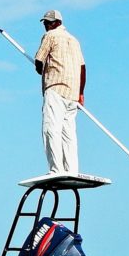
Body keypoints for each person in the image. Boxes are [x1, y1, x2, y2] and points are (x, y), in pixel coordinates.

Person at [34, 9, 86, 175]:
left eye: (49, 22)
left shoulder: (51, 36)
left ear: (57, 22)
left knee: (51, 128)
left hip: (55, 88)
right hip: (72, 93)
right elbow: (83, 69)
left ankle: (56, 169)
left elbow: (39, 61)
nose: (47, 26)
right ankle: (72, 170)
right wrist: (80, 93)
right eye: (46, 23)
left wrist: (41, 69)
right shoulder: (74, 40)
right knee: (68, 133)